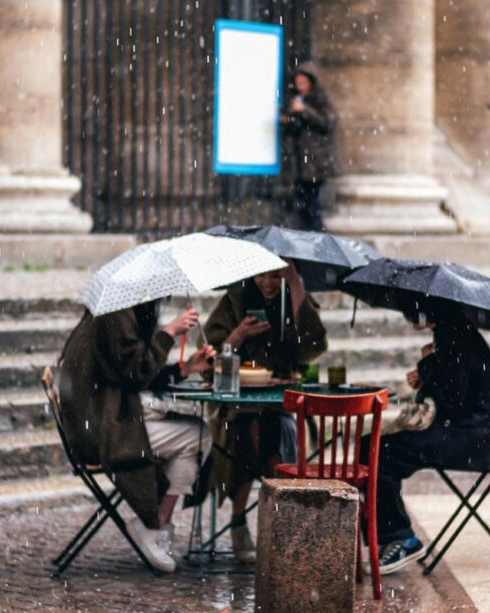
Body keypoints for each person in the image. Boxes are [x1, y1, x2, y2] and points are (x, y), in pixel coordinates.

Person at [58, 301, 216, 573]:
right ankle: (155, 525)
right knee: (197, 436)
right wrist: (169, 332)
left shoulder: (118, 310)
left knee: (194, 434)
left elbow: (134, 374)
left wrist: (185, 368)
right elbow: (136, 372)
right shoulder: (116, 312)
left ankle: (156, 525)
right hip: (101, 431)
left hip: (102, 420)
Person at [203, 260, 328, 562]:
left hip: (282, 403)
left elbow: (312, 347)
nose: (268, 284)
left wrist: (295, 285)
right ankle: (243, 522)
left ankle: (276, 521)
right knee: (246, 433)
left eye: (276, 276)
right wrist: (238, 336)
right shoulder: (233, 301)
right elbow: (208, 364)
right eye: (262, 275)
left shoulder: (293, 298)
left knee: (276, 430)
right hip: (237, 403)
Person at [364, 315, 490, 575]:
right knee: (372, 446)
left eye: (413, 308)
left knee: (379, 452)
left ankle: (401, 538)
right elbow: (448, 391)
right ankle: (387, 533)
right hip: (468, 432)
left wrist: (428, 364)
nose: (409, 315)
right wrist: (427, 372)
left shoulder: (456, 337)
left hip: (473, 440)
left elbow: (451, 400)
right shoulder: (452, 331)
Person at [281, 61, 336, 231]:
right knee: (302, 202)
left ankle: (317, 232)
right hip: (300, 160)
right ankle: (307, 231)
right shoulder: (296, 99)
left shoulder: (319, 99)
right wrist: (288, 119)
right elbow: (294, 128)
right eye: (298, 83)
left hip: (315, 161)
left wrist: (304, 110)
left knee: (313, 202)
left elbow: (326, 122)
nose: (300, 87)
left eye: (303, 83)